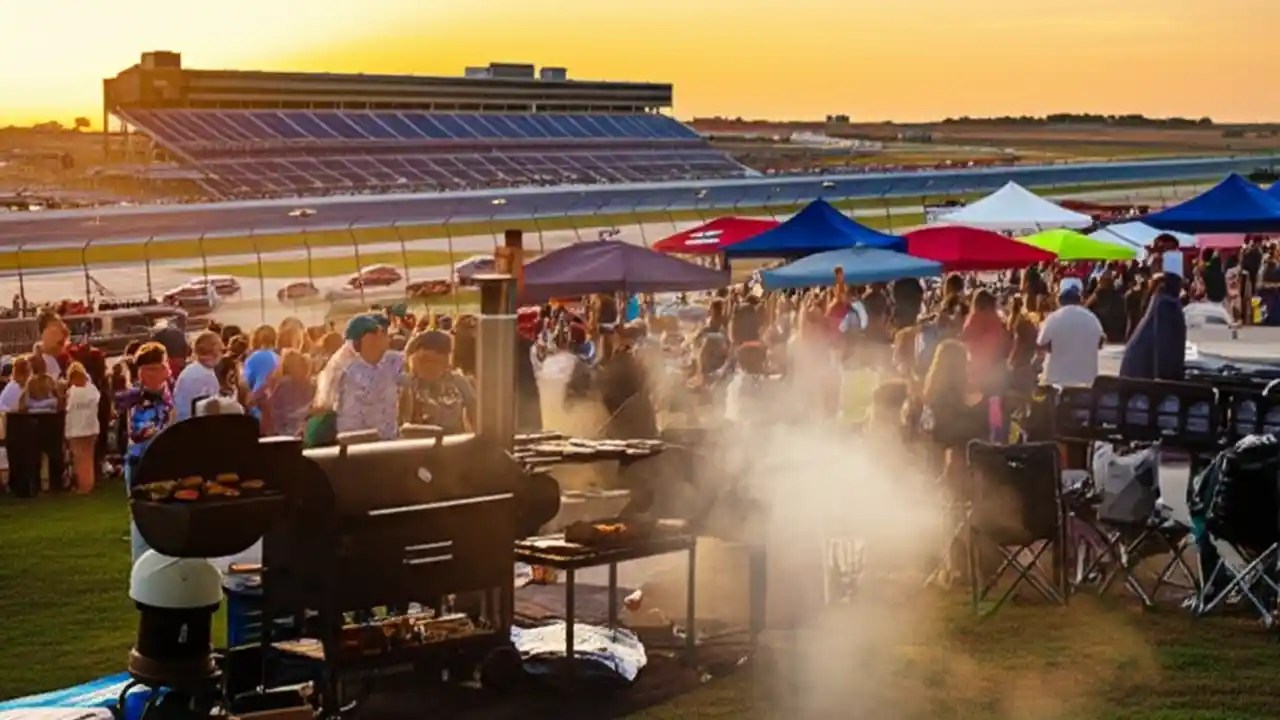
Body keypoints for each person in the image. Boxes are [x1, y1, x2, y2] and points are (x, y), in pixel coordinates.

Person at [118, 342, 174, 561]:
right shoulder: (134, 398)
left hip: (164, 461)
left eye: (156, 367)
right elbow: (137, 432)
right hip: (140, 461)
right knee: (141, 519)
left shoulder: (170, 392)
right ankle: (141, 567)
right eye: (146, 369)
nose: (152, 374)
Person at [327, 314, 403, 441]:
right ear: (368, 339)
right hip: (358, 442)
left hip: (389, 441)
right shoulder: (346, 370)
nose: (386, 337)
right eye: (381, 333)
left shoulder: (390, 362)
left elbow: (413, 365)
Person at [400, 330, 476, 435]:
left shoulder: (458, 382)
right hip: (416, 445)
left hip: (452, 445)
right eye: (423, 360)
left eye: (434, 361)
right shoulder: (406, 384)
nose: (429, 366)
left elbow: (475, 417)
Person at [1120, 273, 1187, 381]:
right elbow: (1164, 348)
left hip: (1133, 376)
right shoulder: (1168, 305)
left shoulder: (1157, 302)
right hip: (1143, 382)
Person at [1036, 281, 1105, 387]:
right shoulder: (1091, 318)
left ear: (1060, 301)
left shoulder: (1053, 318)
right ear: (1080, 301)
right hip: (1087, 381)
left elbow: (1040, 345)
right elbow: (1101, 342)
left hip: (1056, 380)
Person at [65, 361, 101, 494]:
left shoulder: (72, 392)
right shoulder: (92, 390)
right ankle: (88, 484)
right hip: (91, 427)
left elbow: (68, 409)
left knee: (79, 458)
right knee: (88, 457)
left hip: (76, 429)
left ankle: (83, 486)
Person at [172, 331, 224, 420]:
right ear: (214, 352)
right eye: (221, 350)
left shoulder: (195, 369)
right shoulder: (204, 376)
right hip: (192, 425)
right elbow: (209, 411)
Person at [262, 349, 313, 436]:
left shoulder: (302, 384)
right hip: (286, 431)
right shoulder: (286, 384)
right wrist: (310, 409)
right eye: (300, 364)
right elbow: (288, 414)